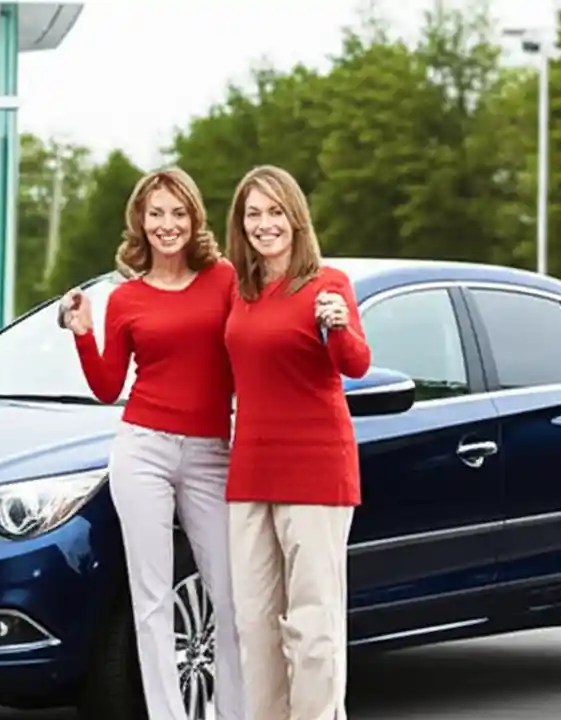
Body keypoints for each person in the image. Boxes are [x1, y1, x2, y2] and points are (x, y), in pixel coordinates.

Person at [59, 167, 244, 720]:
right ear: (140, 220)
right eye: (156, 213)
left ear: (194, 219)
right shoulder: (127, 298)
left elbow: (249, 355)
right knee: (152, 596)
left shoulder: (224, 280)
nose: (168, 224)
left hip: (212, 452)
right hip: (143, 450)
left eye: (178, 213)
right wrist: (84, 332)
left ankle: (235, 712)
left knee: (230, 595)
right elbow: (107, 386)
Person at [222, 164, 371, 720]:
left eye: (275, 212)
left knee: (313, 622)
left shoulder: (327, 285)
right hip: (250, 472)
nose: (265, 224)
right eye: (253, 214)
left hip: (315, 471)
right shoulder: (239, 291)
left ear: (296, 218)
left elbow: (355, 363)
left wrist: (338, 326)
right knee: (254, 621)